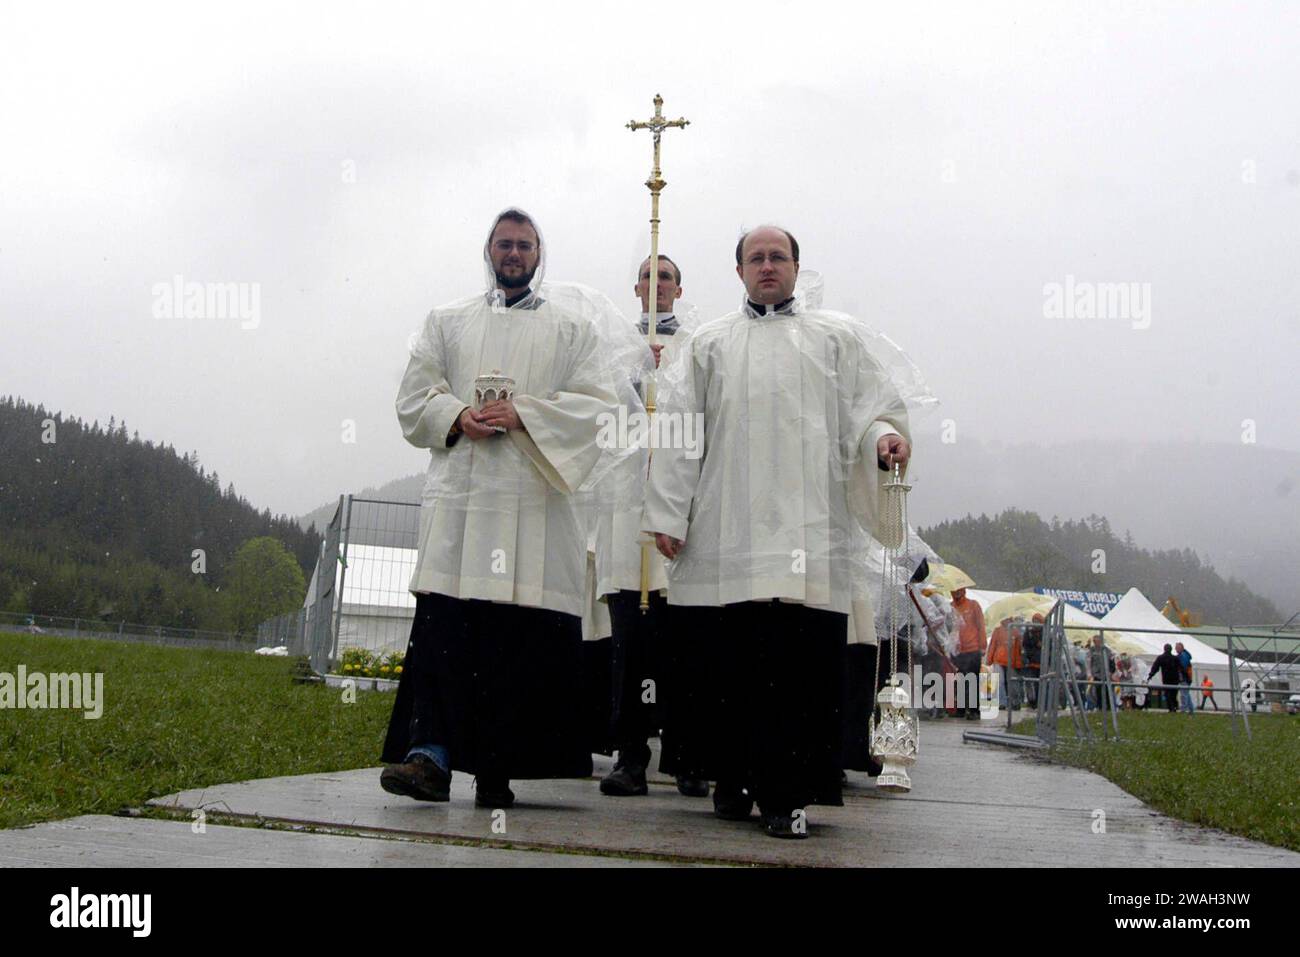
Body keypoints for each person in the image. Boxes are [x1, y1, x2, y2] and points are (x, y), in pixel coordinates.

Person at [644, 224, 929, 839]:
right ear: (740, 271)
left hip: (809, 533)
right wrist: (668, 512)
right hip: (728, 529)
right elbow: (678, 431)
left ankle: (786, 792)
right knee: (728, 664)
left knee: (795, 668)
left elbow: (871, 408)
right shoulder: (708, 344)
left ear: (798, 268)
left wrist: (882, 439)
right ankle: (731, 777)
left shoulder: (836, 339)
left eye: (779, 257)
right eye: (756, 258)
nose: (768, 266)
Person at [380, 207, 640, 809]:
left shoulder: (573, 332)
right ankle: (430, 759)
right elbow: (413, 396)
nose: (514, 253)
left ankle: (499, 771)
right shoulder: (446, 323)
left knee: (514, 647)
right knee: (447, 633)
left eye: (524, 245)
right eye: (504, 244)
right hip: (463, 509)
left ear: (539, 255)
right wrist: (455, 415)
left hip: (535, 507)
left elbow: (600, 409)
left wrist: (527, 413)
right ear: (489, 251)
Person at [595, 254, 708, 799]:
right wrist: (641, 375)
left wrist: (669, 374)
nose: (657, 284)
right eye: (648, 276)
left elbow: (701, 419)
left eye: (666, 276)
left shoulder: (699, 346)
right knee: (631, 645)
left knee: (684, 642)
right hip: (627, 505)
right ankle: (630, 756)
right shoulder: (615, 346)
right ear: (635, 287)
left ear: (679, 288)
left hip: (681, 509)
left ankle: (689, 756)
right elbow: (601, 414)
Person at [949, 587, 986, 719]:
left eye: (959, 590)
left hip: (973, 650)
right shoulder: (950, 607)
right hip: (957, 651)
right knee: (959, 681)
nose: (957, 592)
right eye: (954, 590)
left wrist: (982, 646)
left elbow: (981, 625)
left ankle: (974, 710)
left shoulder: (973, 605)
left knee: (972, 681)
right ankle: (960, 709)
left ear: (964, 590)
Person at [985, 617, 1024, 711]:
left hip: (1011, 660)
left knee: (1012, 682)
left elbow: (1019, 649)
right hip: (1000, 659)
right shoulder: (998, 630)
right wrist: (989, 659)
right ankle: (1002, 702)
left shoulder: (1015, 631)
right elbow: (993, 645)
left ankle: (1014, 702)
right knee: (1000, 681)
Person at [1148, 643, 1184, 713]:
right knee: (1173, 694)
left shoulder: (1161, 658)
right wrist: (1184, 677)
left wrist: (1150, 675)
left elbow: (1155, 668)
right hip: (1175, 679)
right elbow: (1181, 668)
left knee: (1168, 694)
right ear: (1171, 649)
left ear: (1164, 649)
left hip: (1166, 679)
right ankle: (1174, 707)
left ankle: (1171, 708)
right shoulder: (1175, 658)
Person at [1088, 634, 1116, 711]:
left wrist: (1111, 671)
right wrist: (1090, 673)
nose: (1095, 642)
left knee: (1107, 692)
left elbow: (1112, 663)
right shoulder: (1092, 650)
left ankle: (1109, 708)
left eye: (1096, 641)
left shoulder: (1107, 650)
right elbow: (1089, 661)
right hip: (1096, 674)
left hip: (1106, 674)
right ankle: (1100, 707)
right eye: (1094, 641)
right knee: (1098, 691)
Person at [1175, 641, 1195, 715]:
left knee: (1183, 694)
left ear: (1181, 648)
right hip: (1187, 678)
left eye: (1177, 648)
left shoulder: (1182, 656)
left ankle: (1183, 710)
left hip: (1185, 678)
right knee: (1186, 694)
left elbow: (1183, 667)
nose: (1176, 649)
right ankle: (1191, 710)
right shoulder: (1185, 655)